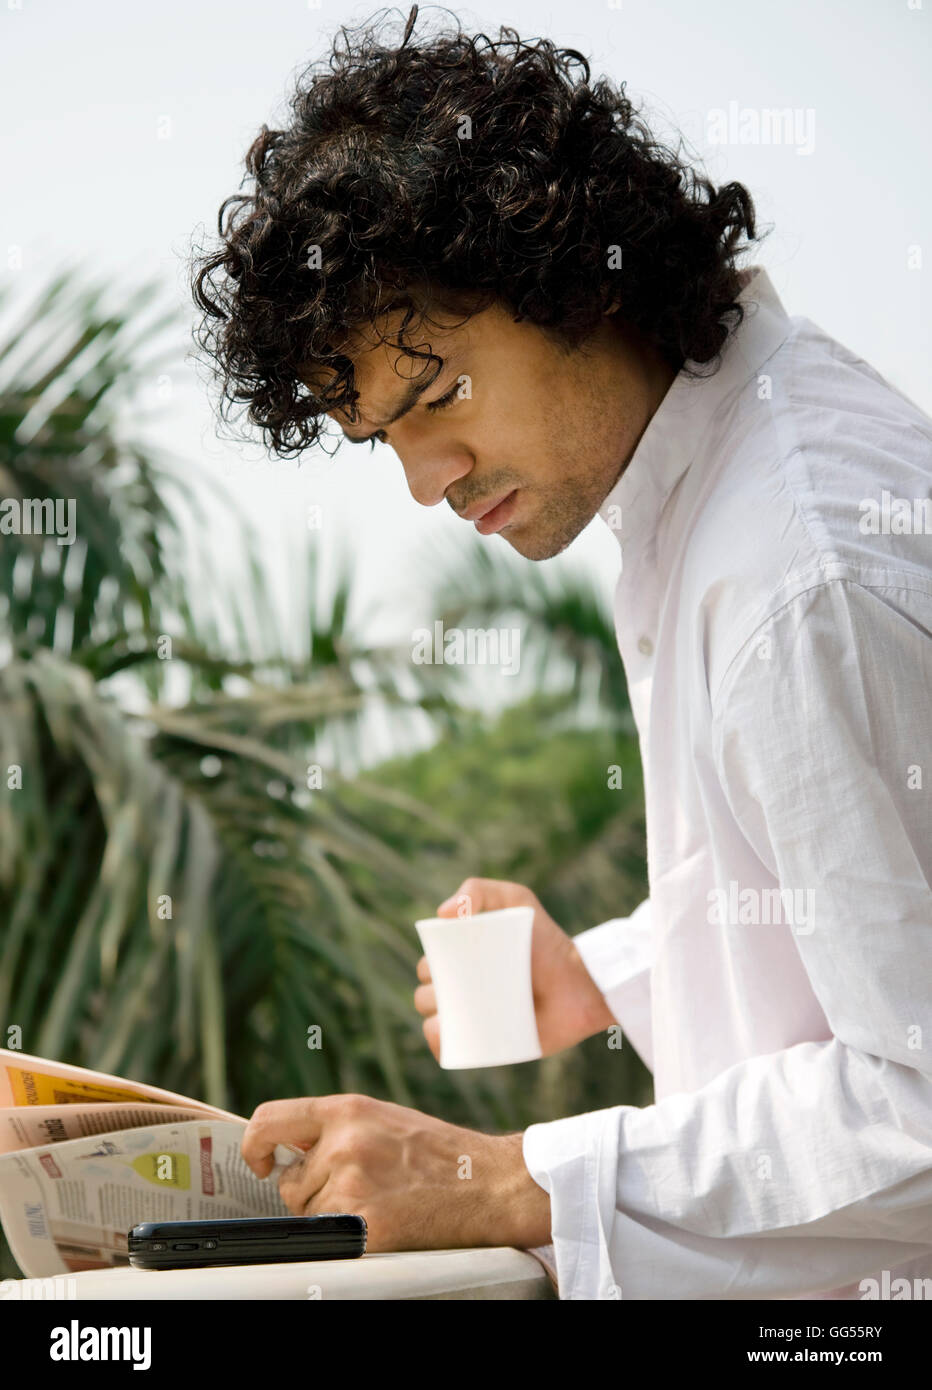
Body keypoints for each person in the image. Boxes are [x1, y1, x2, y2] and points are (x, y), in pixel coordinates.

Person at [193, 8, 932, 1299]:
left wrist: (496, 1177)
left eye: (438, 397)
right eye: (383, 437)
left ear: (575, 283)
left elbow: (920, 1100)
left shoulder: (797, 573)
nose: (426, 481)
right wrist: (604, 972)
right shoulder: (721, 478)